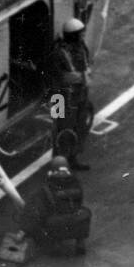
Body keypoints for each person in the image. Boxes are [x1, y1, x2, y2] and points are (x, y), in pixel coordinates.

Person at [21, 156, 91, 256]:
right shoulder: (76, 183)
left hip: (58, 223)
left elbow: (38, 210)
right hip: (76, 220)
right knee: (85, 213)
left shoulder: (46, 189)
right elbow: (79, 201)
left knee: (47, 219)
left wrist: (24, 230)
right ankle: (80, 242)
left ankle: (56, 244)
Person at [48, 18, 93, 170]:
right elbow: (61, 76)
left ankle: (72, 158)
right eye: (80, 34)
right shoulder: (59, 53)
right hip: (60, 97)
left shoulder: (81, 47)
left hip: (79, 94)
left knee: (78, 127)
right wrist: (83, 76)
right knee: (61, 130)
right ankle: (59, 162)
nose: (82, 36)